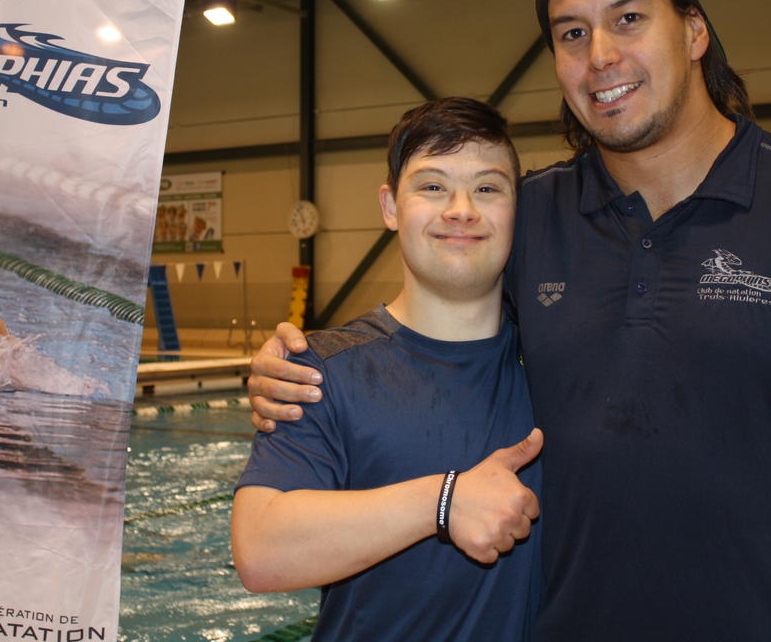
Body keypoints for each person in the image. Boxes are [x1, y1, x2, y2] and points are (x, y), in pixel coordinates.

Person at [247, 0, 771, 641]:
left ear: (693, 31)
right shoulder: (529, 217)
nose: (600, 56)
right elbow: (432, 314)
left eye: (628, 18)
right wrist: (297, 367)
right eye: (572, 33)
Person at [232, 98, 544, 641]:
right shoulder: (321, 368)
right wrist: (443, 502)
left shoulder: (560, 364)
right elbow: (260, 552)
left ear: (518, 208)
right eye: (432, 186)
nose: (461, 209)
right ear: (391, 206)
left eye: (489, 188)